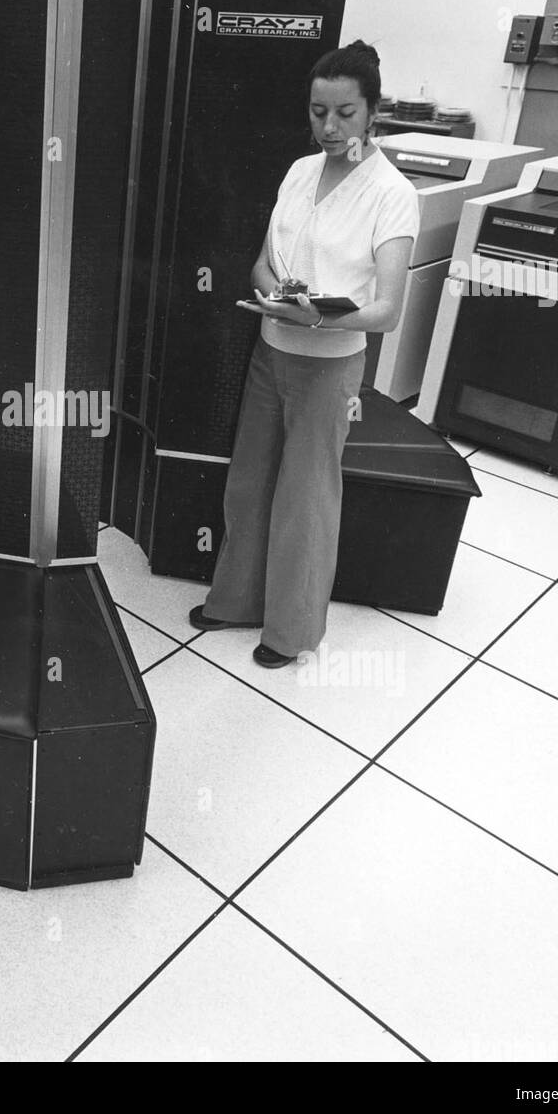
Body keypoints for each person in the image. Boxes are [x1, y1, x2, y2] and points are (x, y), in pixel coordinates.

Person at [190, 40, 419, 667]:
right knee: (249, 481)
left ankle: (290, 632)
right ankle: (235, 600)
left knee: (306, 497)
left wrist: (315, 316)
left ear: (373, 112)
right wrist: (275, 300)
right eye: (319, 112)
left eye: (345, 113)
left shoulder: (391, 193)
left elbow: (388, 310)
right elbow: (264, 262)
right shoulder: (297, 171)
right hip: (272, 349)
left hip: (330, 365)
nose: (329, 127)